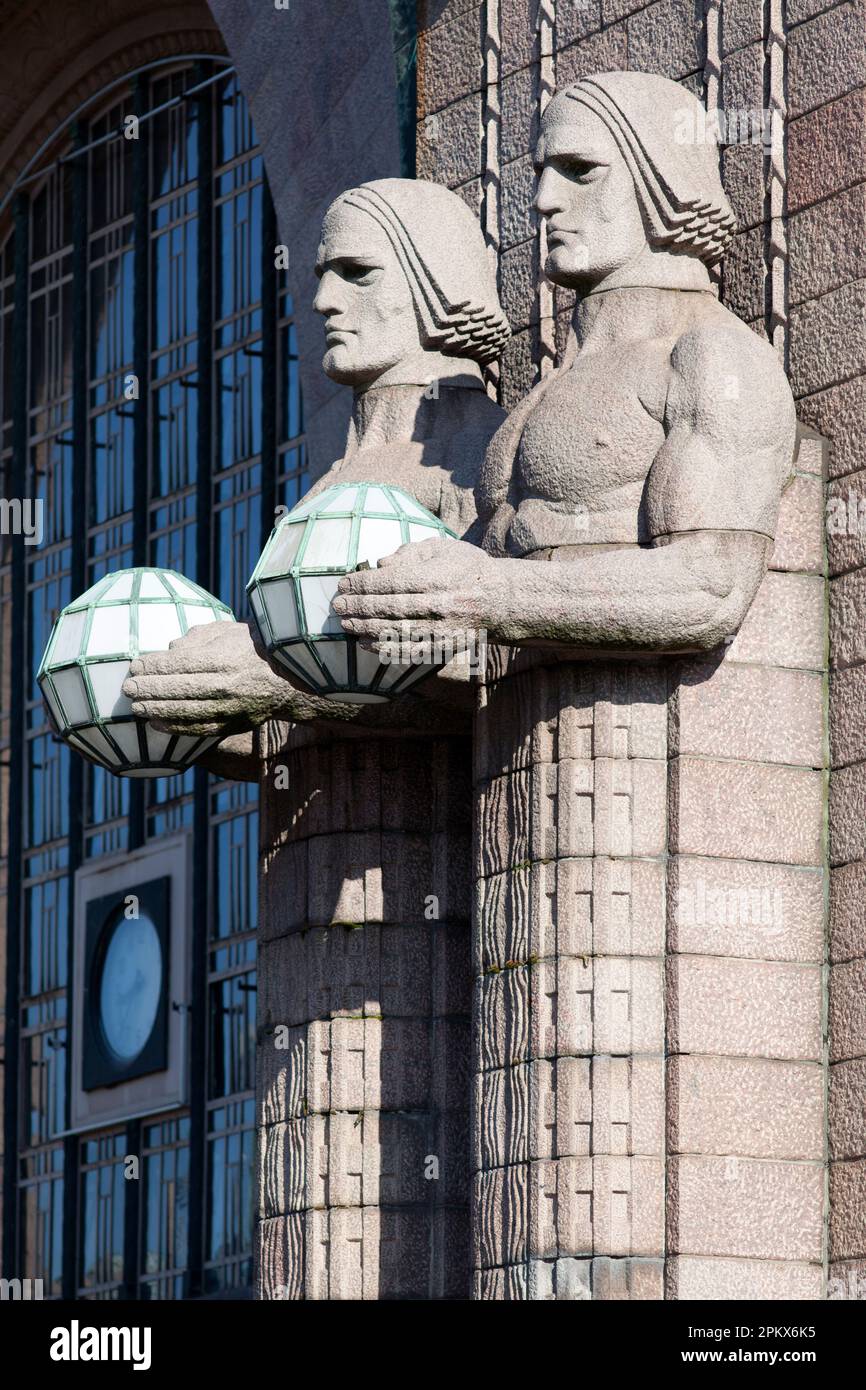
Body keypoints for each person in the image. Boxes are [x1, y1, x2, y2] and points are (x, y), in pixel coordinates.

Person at [332, 73, 796, 659]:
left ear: (663, 180)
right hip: (515, 741)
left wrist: (486, 594)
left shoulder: (710, 356)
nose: (544, 199)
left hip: (648, 739)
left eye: (581, 170)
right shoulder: (542, 396)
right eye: (541, 172)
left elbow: (711, 585)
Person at [122, 179, 508, 767]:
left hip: (421, 829)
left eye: (358, 272)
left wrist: (274, 682)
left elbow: (493, 674)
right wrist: (198, 716)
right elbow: (304, 717)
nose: (326, 299)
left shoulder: (475, 449)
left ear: (437, 278)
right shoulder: (331, 483)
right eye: (323, 274)